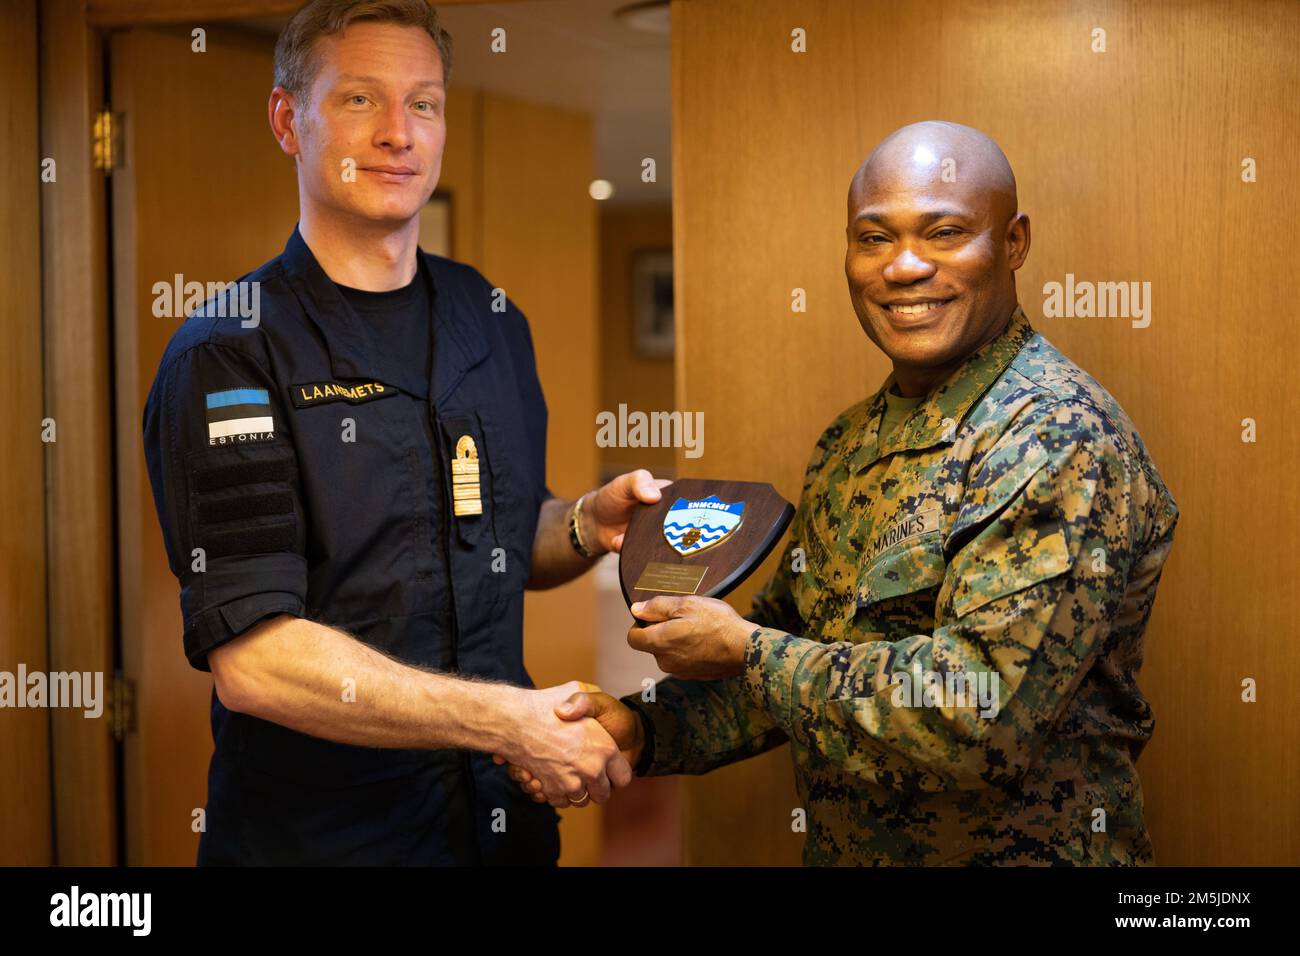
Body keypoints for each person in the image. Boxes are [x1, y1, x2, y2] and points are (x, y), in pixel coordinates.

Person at [504, 120, 1180, 866]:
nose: (904, 267)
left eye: (945, 232)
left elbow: (978, 714)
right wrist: (641, 730)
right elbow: (786, 652)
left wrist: (750, 652)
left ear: (1013, 244)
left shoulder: (1054, 435)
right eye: (873, 238)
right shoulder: (851, 441)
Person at [143, 0, 662, 865]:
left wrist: (584, 526)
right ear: (287, 120)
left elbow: (495, 538)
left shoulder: (489, 319)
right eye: (359, 100)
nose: (398, 132)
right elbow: (257, 659)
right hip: (325, 842)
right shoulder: (229, 351)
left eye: (423, 103)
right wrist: (510, 719)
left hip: (501, 829)